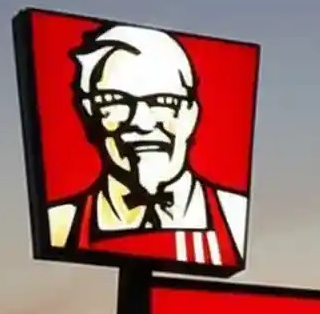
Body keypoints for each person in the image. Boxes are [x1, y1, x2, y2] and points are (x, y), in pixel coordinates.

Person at [46, 24, 249, 266]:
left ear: (190, 114)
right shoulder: (61, 223)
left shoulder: (234, 215)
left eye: (163, 101)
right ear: (90, 112)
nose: (142, 123)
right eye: (115, 100)